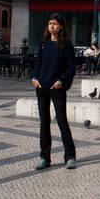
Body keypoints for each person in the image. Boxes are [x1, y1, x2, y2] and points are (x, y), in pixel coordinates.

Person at [31, 14, 78, 171]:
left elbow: (72, 67)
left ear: (61, 26)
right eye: (50, 23)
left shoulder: (66, 45)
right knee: (44, 123)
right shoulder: (43, 43)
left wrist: (61, 81)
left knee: (61, 121)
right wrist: (34, 77)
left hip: (57, 87)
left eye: (55, 24)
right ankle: (44, 157)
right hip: (41, 87)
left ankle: (70, 156)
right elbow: (39, 62)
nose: (51, 26)